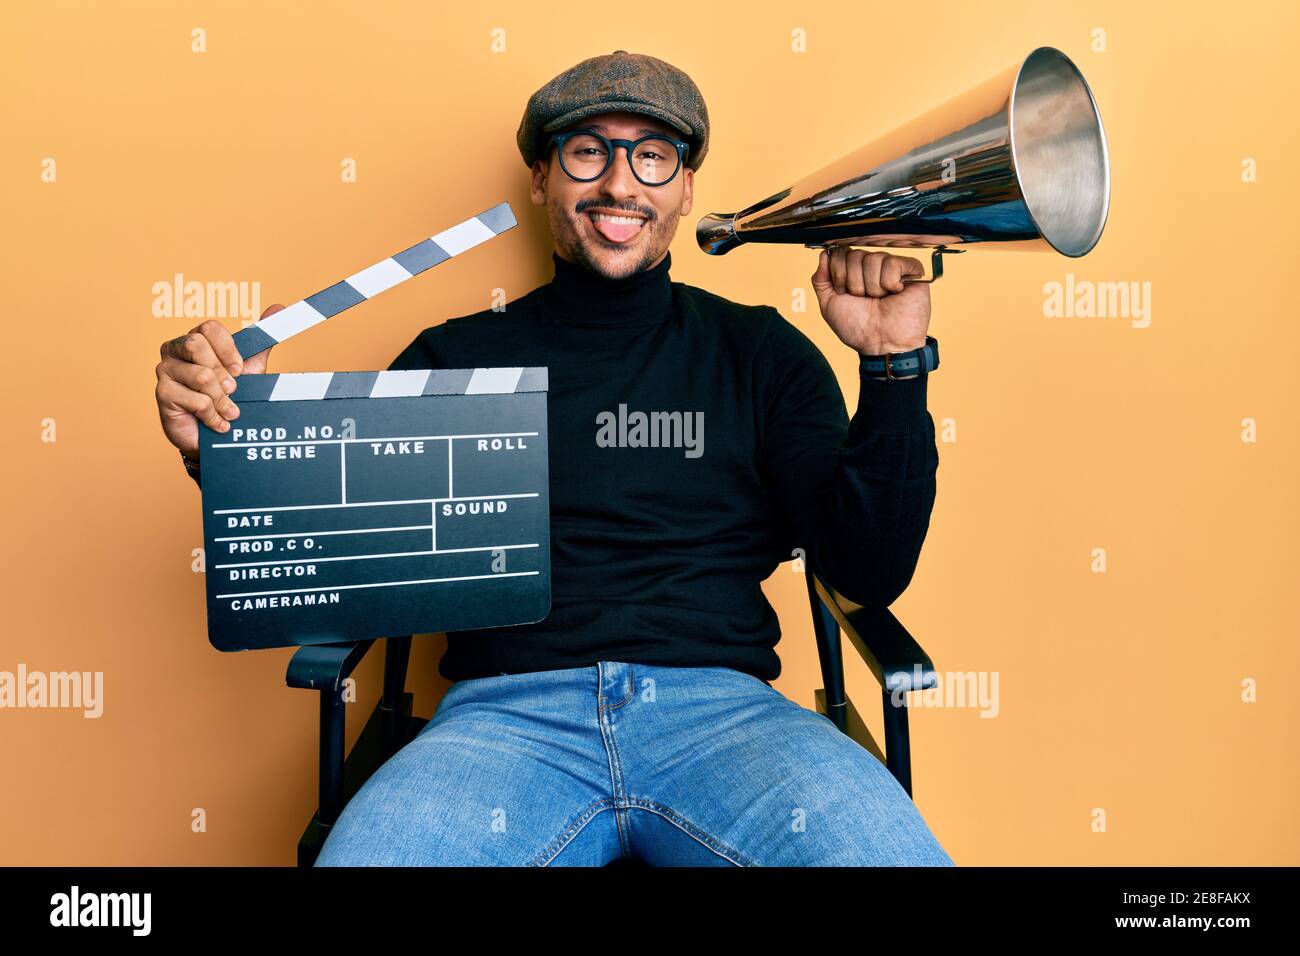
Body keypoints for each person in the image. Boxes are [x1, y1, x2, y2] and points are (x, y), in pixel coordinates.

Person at [154, 50, 952, 866]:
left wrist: (893, 368)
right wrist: (229, 443)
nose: (619, 183)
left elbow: (867, 571)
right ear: (541, 177)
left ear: (683, 188)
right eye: (585, 150)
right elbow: (350, 575)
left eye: (652, 155)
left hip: (727, 718)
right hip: (501, 726)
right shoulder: (451, 359)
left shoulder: (761, 354)